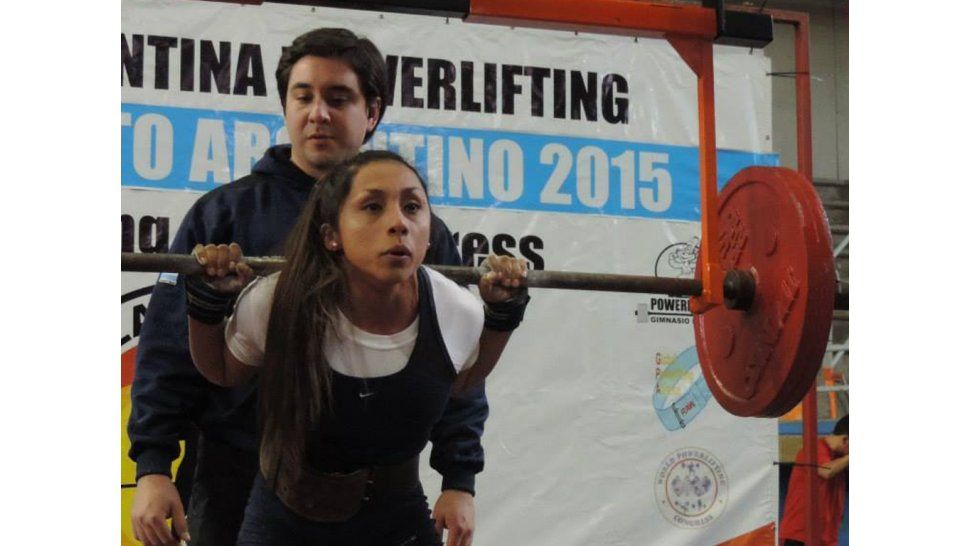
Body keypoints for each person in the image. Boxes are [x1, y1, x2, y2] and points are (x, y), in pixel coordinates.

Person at [128, 28, 492, 546]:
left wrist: (460, 478)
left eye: (338, 98)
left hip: (379, 491)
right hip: (236, 475)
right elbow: (168, 348)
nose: (318, 113)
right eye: (304, 97)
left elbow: (455, 369)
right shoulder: (223, 217)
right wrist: (153, 465)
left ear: (372, 113)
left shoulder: (420, 238)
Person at [186, 150, 529, 545]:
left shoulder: (457, 310)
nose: (398, 223)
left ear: (429, 233)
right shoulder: (276, 301)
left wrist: (502, 320)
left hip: (395, 520)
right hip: (285, 520)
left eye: (413, 207)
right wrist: (205, 307)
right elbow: (222, 372)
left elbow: (464, 381)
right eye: (372, 207)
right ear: (331, 235)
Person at [779, 415, 849, 546]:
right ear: (845, 440)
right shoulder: (813, 449)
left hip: (826, 538)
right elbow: (825, 471)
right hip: (800, 536)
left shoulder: (841, 460)